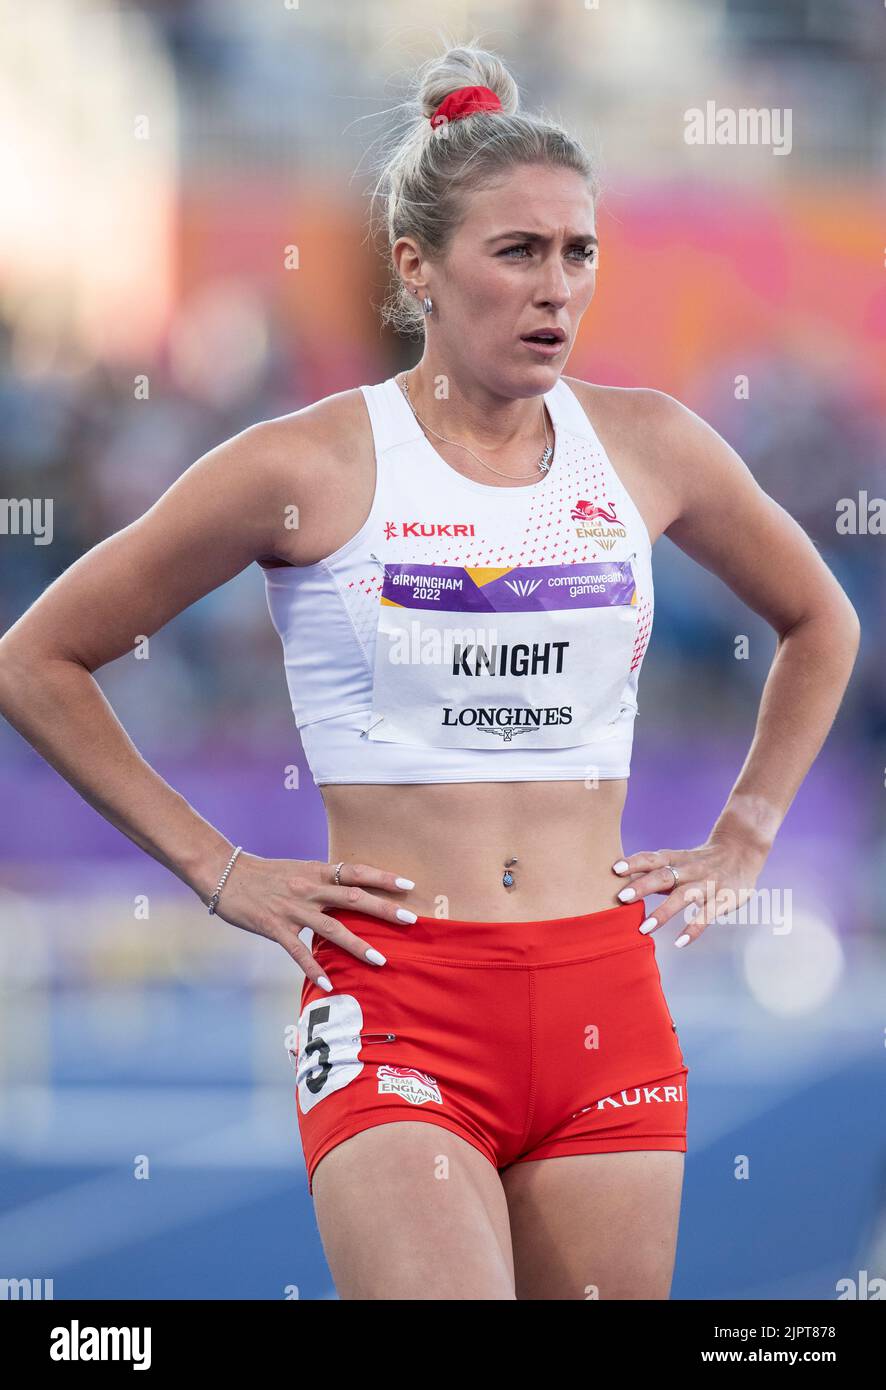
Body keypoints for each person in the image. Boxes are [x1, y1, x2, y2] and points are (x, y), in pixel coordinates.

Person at [0, 43, 860, 1301]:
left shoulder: (651, 445)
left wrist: (747, 831)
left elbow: (819, 621)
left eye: (578, 252)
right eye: (516, 252)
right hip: (399, 1003)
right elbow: (37, 661)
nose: (555, 288)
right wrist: (218, 868)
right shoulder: (306, 465)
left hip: (601, 999)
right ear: (416, 268)